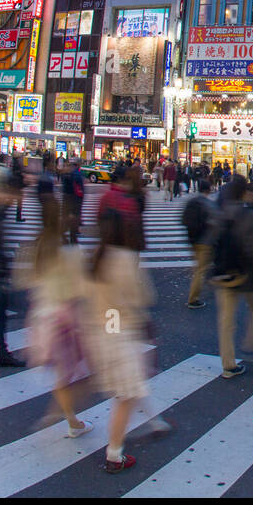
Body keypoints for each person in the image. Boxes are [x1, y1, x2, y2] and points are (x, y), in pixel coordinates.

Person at [88, 166, 154, 474]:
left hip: (100, 333)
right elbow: (141, 300)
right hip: (120, 337)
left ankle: (144, 424)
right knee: (126, 393)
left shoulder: (96, 259)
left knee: (124, 390)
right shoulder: (127, 261)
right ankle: (115, 453)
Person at [16, 193, 92, 439]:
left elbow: (22, 281)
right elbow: (80, 288)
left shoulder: (34, 249)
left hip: (42, 319)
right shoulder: (69, 253)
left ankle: (68, 417)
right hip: (65, 320)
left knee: (65, 372)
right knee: (80, 373)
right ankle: (63, 414)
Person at [208, 175, 253, 378]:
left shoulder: (220, 212)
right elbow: (250, 247)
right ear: (244, 192)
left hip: (221, 273)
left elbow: (212, 240)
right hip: (243, 274)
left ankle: (228, 364)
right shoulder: (247, 216)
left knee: (226, 321)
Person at [0, 156, 24, 368]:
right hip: (0, 271)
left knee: (3, 312)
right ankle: (2, 350)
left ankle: (2, 348)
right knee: (3, 312)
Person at [183, 180, 216, 309]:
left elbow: (183, 220)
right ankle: (193, 299)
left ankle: (207, 282)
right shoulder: (209, 204)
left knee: (199, 267)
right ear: (209, 190)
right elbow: (215, 222)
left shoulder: (191, 202)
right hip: (205, 241)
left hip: (192, 240)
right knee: (200, 270)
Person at [61, 157, 85, 245]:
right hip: (75, 198)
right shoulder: (76, 173)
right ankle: (72, 237)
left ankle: (67, 235)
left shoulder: (67, 173)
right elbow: (79, 187)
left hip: (67, 197)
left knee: (67, 217)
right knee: (74, 217)